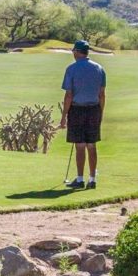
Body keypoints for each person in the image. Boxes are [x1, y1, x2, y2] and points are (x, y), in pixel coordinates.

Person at [59, 38, 106, 188]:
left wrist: (63, 117)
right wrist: (100, 113)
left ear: (78, 52)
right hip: (94, 110)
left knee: (80, 146)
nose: (73, 53)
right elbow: (102, 95)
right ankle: (92, 180)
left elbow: (69, 95)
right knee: (91, 145)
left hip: (77, 110)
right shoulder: (99, 68)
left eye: (74, 51)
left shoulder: (71, 69)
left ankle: (80, 180)